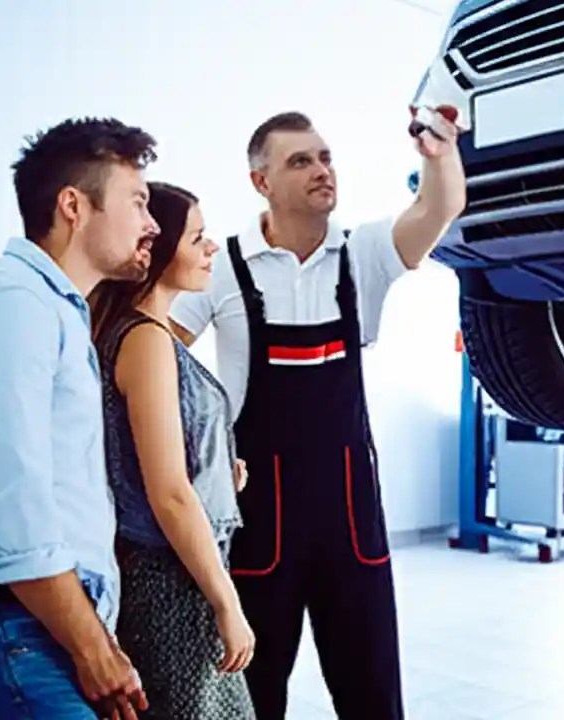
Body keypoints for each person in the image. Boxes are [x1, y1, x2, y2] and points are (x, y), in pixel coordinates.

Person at [168, 106, 466, 720]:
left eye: (325, 157)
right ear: (262, 183)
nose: (321, 170)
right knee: (251, 697)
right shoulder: (223, 266)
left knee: (373, 693)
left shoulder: (365, 254)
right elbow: (155, 356)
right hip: (260, 522)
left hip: (351, 520)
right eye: (300, 161)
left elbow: (438, 210)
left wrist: (438, 154)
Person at [0, 117, 160, 719]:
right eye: (138, 201)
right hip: (6, 632)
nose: (151, 223)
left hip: (30, 628)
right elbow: (16, 509)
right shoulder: (8, 304)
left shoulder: (52, 311)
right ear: (74, 206)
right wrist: (89, 645)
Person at [88, 181, 258, 719]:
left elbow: (149, 462)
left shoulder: (135, 333)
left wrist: (214, 469)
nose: (211, 248)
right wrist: (227, 603)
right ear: (159, 249)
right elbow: (168, 494)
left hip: (169, 576)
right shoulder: (146, 340)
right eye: (198, 238)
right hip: (171, 588)